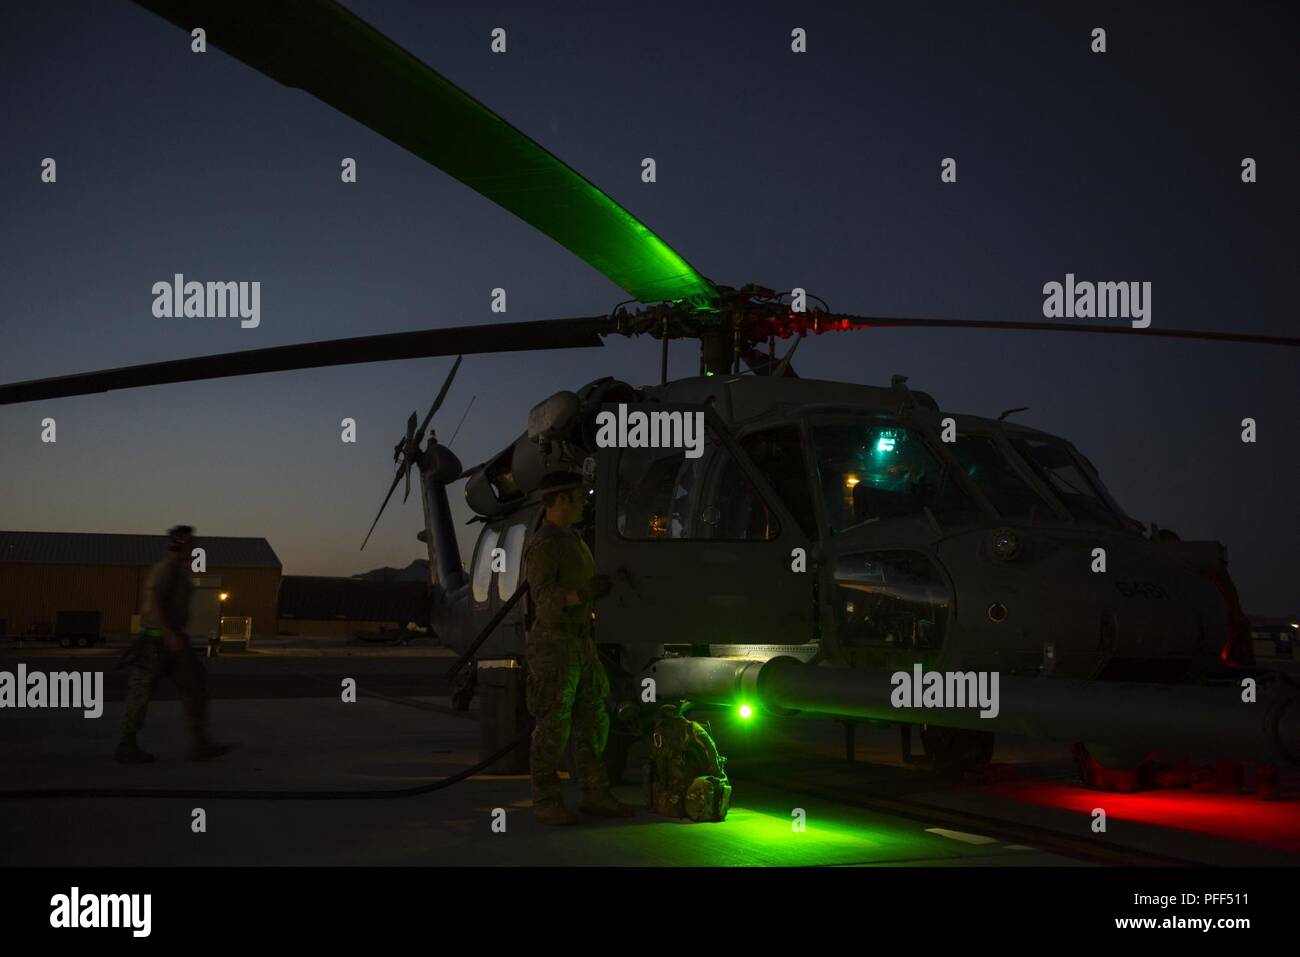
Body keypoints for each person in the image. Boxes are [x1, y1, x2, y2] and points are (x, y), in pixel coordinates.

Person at [523, 472, 634, 824]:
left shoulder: (573, 540)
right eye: (577, 496)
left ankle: (594, 793)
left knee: (593, 721)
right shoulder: (545, 544)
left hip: (580, 643)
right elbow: (543, 601)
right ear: (560, 501)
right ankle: (545, 799)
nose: (583, 501)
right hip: (553, 646)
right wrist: (584, 593)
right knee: (553, 726)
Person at [115, 526, 235, 763]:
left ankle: (201, 743)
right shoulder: (165, 570)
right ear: (178, 544)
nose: (194, 547)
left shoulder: (181, 571)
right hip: (157, 641)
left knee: (196, 687)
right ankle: (126, 745)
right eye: (191, 543)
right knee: (141, 693)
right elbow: (155, 602)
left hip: (175, 640)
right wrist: (170, 634)